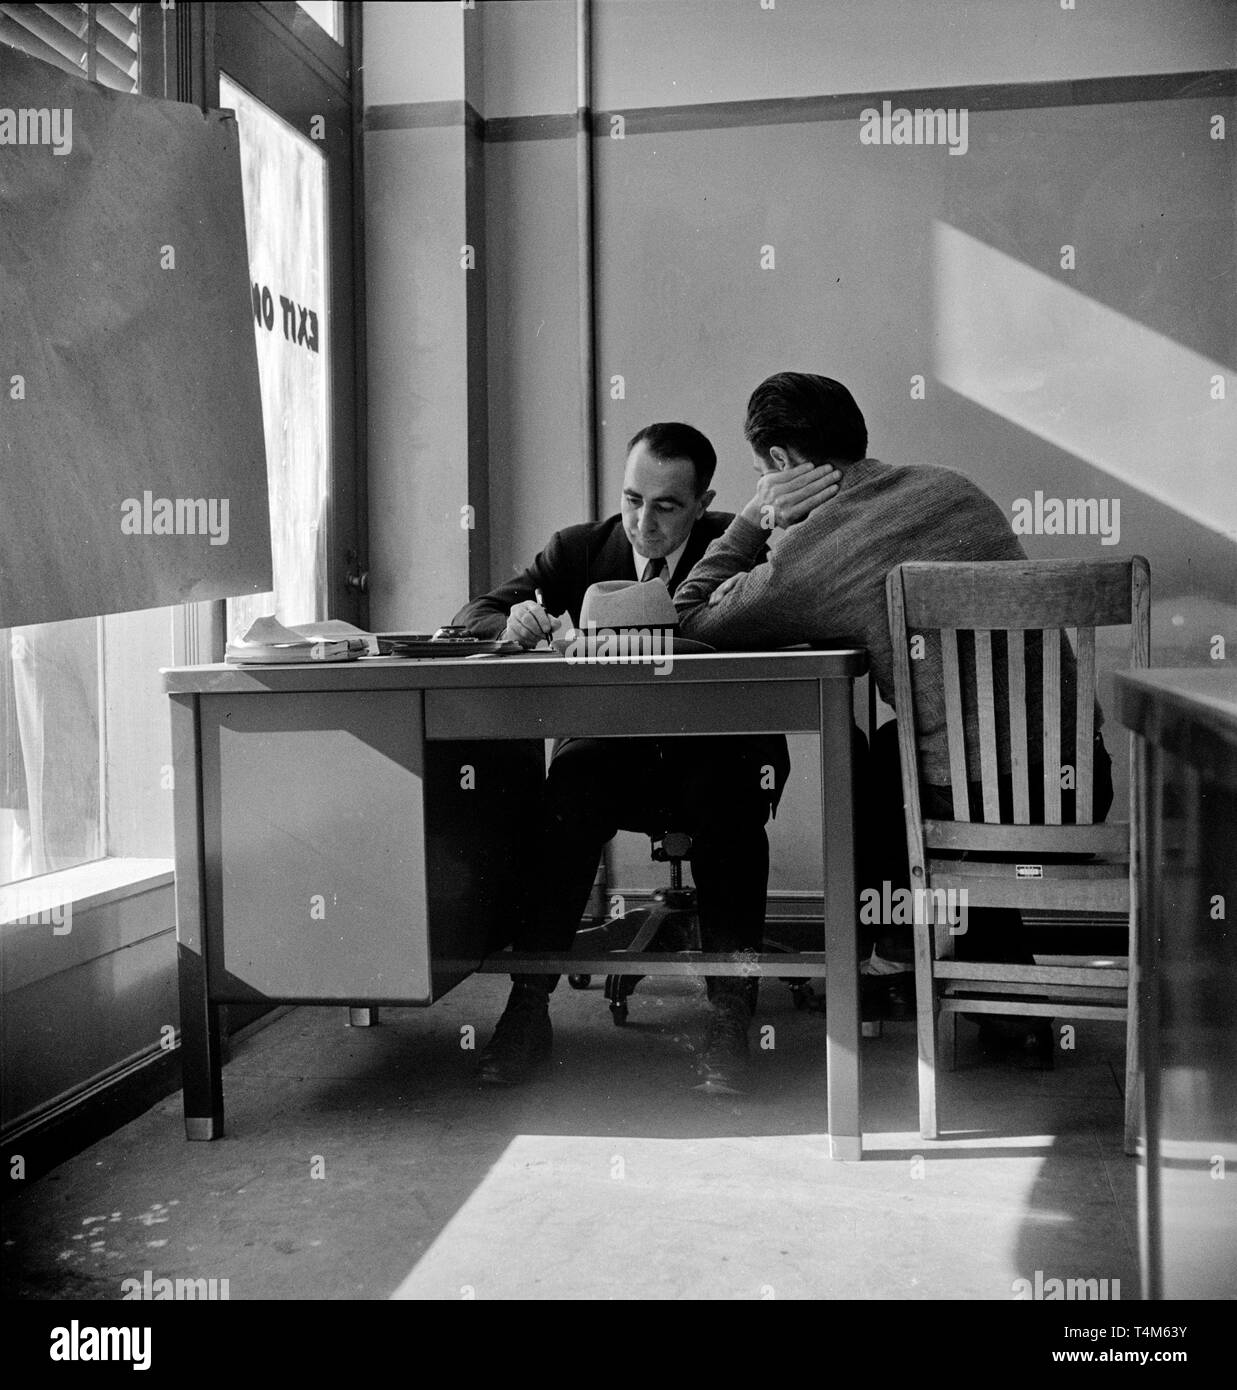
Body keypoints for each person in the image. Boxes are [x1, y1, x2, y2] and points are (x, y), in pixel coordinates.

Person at [673, 373, 1114, 1067]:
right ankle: (998, 1009)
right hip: (1080, 791)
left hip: (957, 812)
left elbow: (688, 616)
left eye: (763, 475)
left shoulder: (810, 556)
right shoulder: (952, 487)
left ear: (784, 466)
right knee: (907, 755)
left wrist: (755, 519)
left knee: (877, 765)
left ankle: (884, 963)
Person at [454, 422, 835, 1090]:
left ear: (702, 502)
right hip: (611, 760)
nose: (642, 523)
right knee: (565, 788)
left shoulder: (738, 546)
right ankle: (527, 1005)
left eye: (665, 506)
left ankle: (728, 1014)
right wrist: (511, 623)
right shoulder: (579, 550)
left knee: (729, 801)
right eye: (632, 499)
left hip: (718, 754)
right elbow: (472, 617)